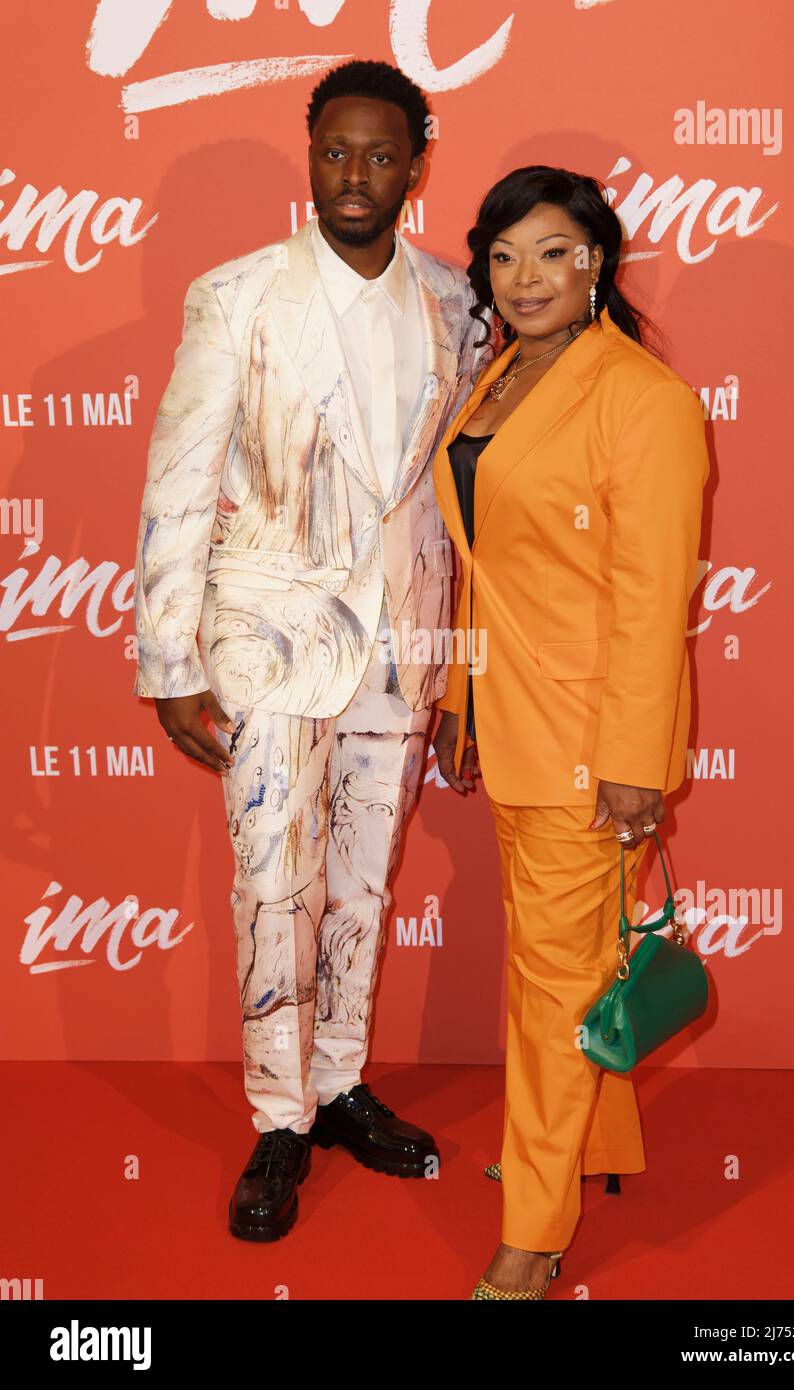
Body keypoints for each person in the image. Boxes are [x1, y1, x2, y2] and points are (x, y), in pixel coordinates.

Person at [132, 59, 489, 1242]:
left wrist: (451, 661)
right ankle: (279, 1114)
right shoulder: (234, 297)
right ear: (308, 154)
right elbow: (181, 479)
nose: (355, 175)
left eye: (380, 155)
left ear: (416, 164)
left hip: (398, 643)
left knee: (361, 886)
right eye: (335, 151)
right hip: (269, 638)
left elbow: (451, 500)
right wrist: (170, 659)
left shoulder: (455, 302)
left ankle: (339, 1084)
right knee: (270, 891)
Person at [432, 166, 709, 1298]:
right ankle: (595, 1147)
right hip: (511, 721)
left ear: (598, 260)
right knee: (558, 969)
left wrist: (638, 765)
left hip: (594, 750)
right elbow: (483, 566)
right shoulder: (498, 377)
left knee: (551, 987)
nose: (525, 277)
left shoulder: (640, 396)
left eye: (551, 252)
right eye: (503, 256)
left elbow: (653, 598)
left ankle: (531, 1235)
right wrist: (462, 697)